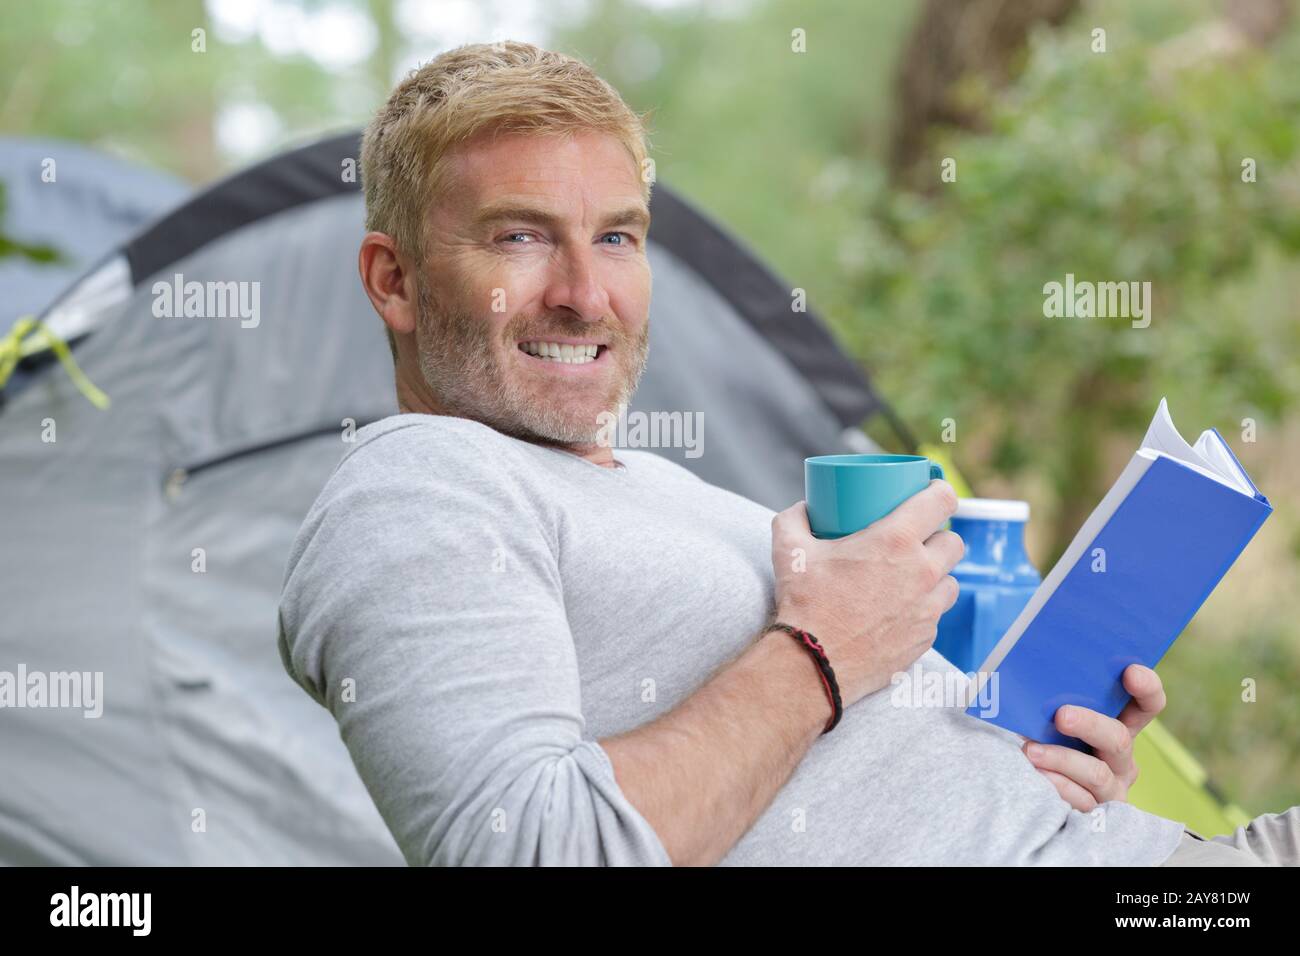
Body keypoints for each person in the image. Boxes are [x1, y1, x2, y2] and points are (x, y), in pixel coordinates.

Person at [277, 40, 1296, 866]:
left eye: (620, 238)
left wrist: (1033, 767)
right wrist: (822, 648)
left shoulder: (656, 486)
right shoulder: (414, 489)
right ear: (395, 281)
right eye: (518, 237)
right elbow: (536, 847)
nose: (586, 293)